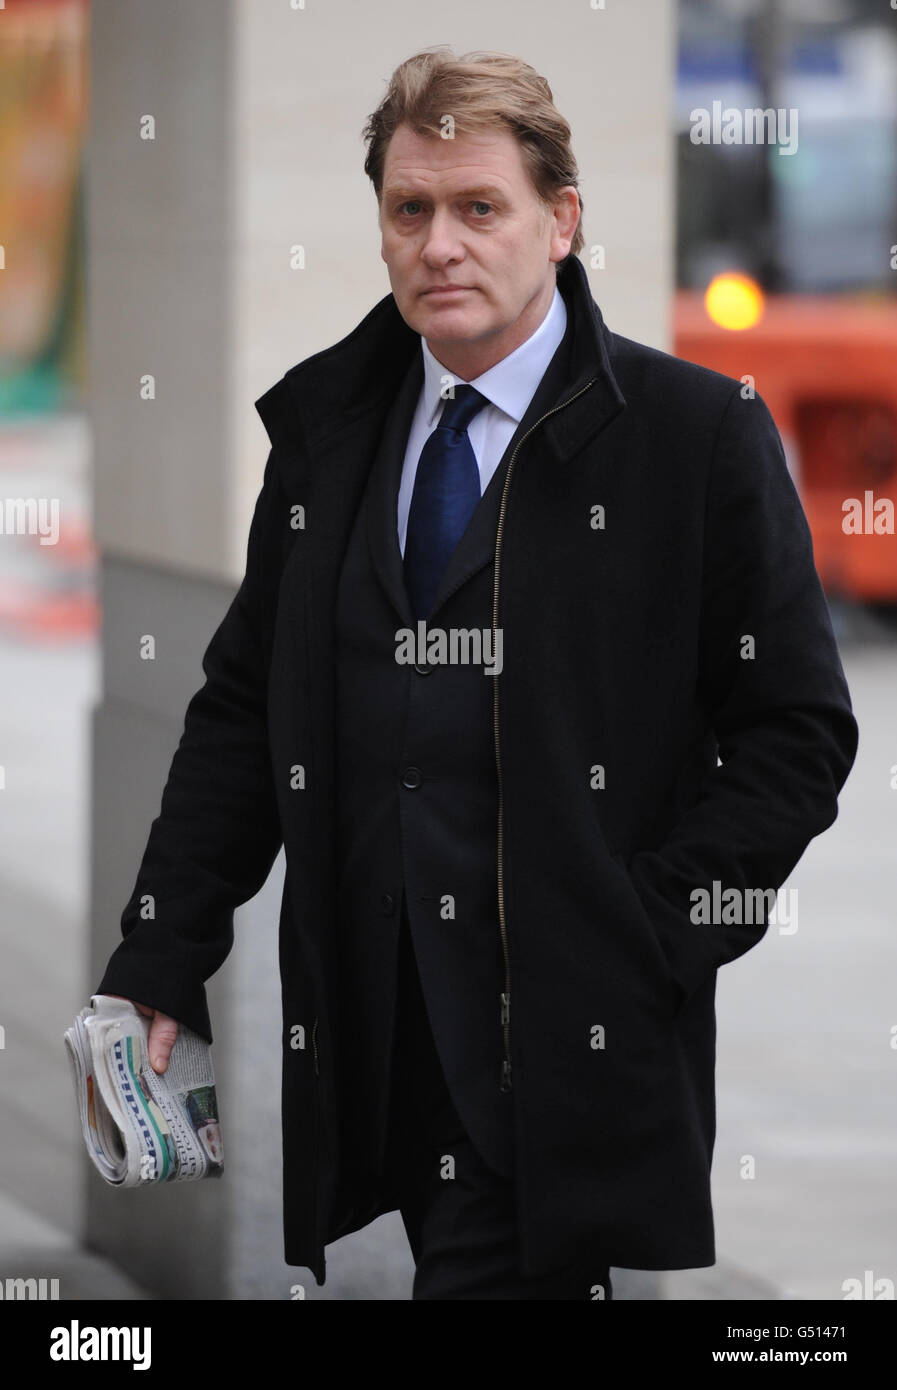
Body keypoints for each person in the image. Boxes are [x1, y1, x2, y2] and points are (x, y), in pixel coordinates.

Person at [97, 46, 859, 1300]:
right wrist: (159, 951)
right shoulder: (328, 435)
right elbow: (243, 712)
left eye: (478, 208)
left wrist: (647, 931)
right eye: (411, 210)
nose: (439, 243)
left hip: (558, 1045)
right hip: (372, 1031)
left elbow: (797, 732)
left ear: (561, 221)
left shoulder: (692, 440)